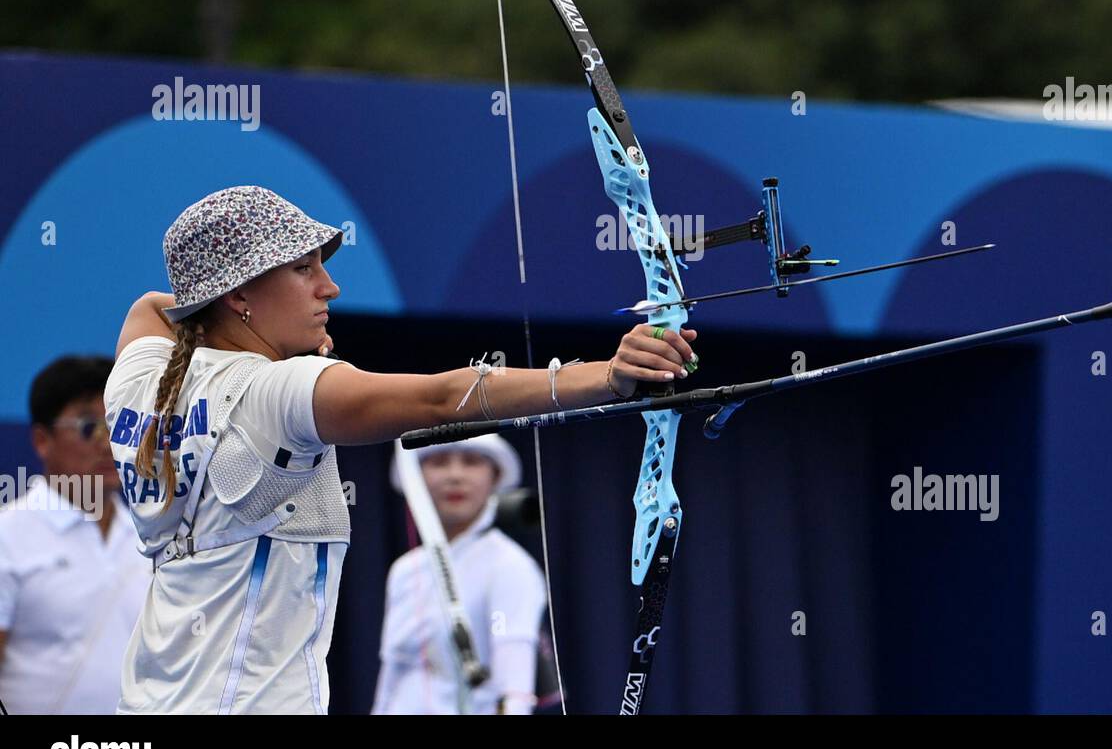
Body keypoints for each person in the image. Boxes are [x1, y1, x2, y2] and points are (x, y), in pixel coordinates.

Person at [106, 185, 696, 714]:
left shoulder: (140, 377)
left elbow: (153, 307)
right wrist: (607, 376)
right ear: (238, 295)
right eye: (302, 269)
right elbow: (444, 399)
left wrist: (258, 329)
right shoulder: (277, 391)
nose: (328, 286)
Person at [0, 356, 151, 714]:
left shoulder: (156, 540)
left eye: (118, 424)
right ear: (41, 440)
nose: (107, 444)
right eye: (88, 426)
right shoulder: (7, 535)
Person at [374, 434, 545, 714]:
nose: (455, 476)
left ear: (495, 475)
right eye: (439, 462)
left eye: (471, 462)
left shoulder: (508, 566)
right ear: (415, 478)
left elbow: (514, 690)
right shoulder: (405, 571)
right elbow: (392, 678)